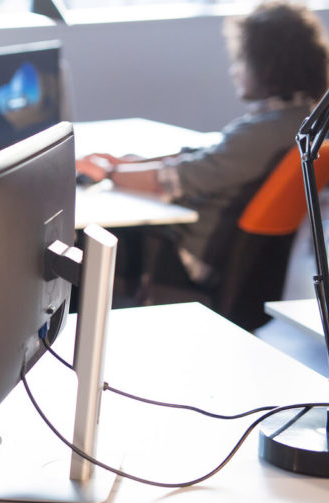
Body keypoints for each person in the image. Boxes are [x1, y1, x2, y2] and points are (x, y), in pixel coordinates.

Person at [77, 1, 329, 288]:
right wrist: (127, 165)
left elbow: (174, 180)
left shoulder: (264, 133)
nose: (234, 71)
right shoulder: (295, 121)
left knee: (88, 239)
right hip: (233, 262)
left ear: (267, 69)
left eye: (241, 61)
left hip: (189, 260)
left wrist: (107, 173)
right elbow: (210, 154)